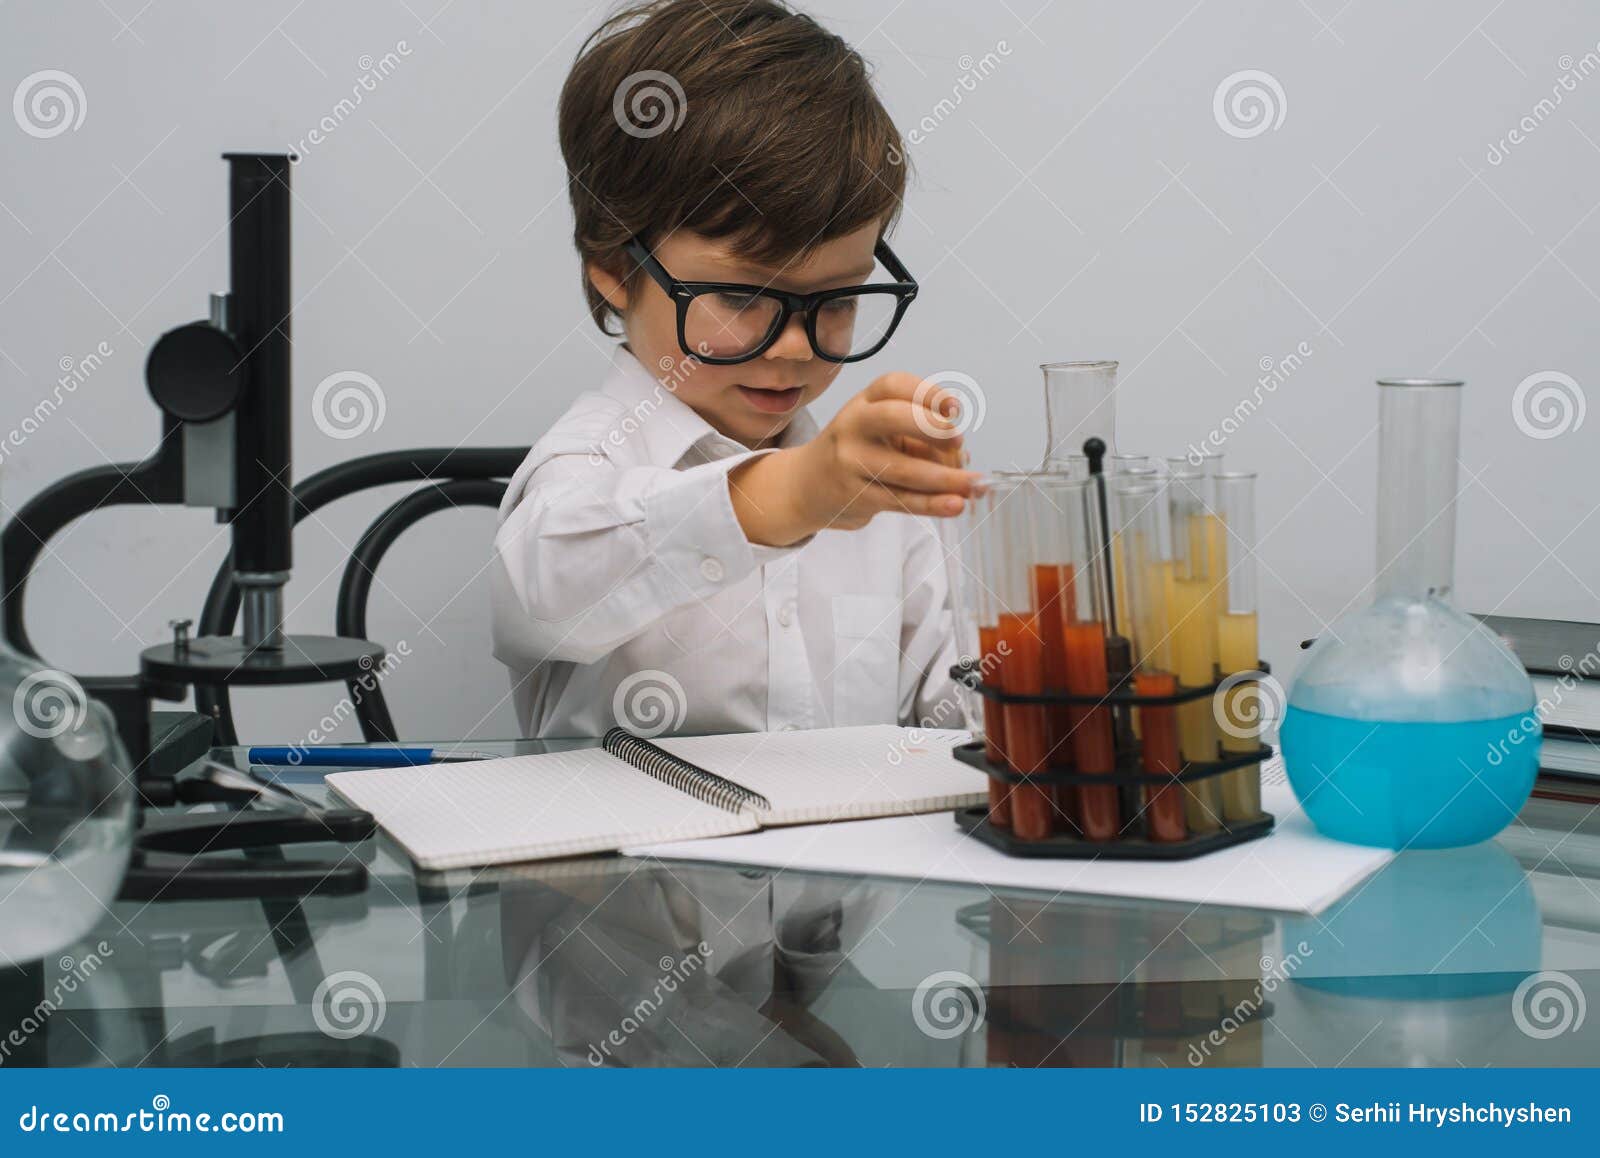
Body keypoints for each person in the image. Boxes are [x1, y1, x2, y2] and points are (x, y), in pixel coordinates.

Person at [491, 0, 975, 738]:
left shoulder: (876, 492)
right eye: (743, 295)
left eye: (838, 298)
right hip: (630, 856)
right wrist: (789, 497)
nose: (792, 348)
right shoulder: (586, 463)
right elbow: (540, 593)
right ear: (617, 268)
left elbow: (951, 721)